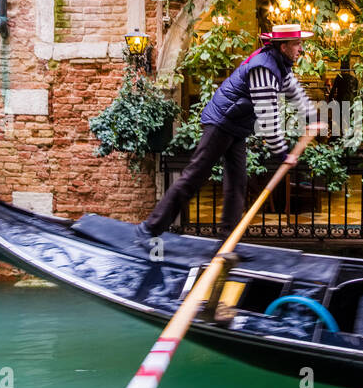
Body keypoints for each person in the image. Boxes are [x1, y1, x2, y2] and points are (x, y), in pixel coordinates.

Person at [136, 23, 326, 240]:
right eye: (297, 44)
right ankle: (150, 228)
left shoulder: (279, 65)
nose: (301, 49)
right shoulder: (263, 69)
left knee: (237, 182)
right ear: (283, 46)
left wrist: (312, 118)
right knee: (194, 176)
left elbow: (296, 93)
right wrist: (282, 153)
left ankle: (227, 241)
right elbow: (268, 116)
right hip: (220, 122)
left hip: (236, 127)